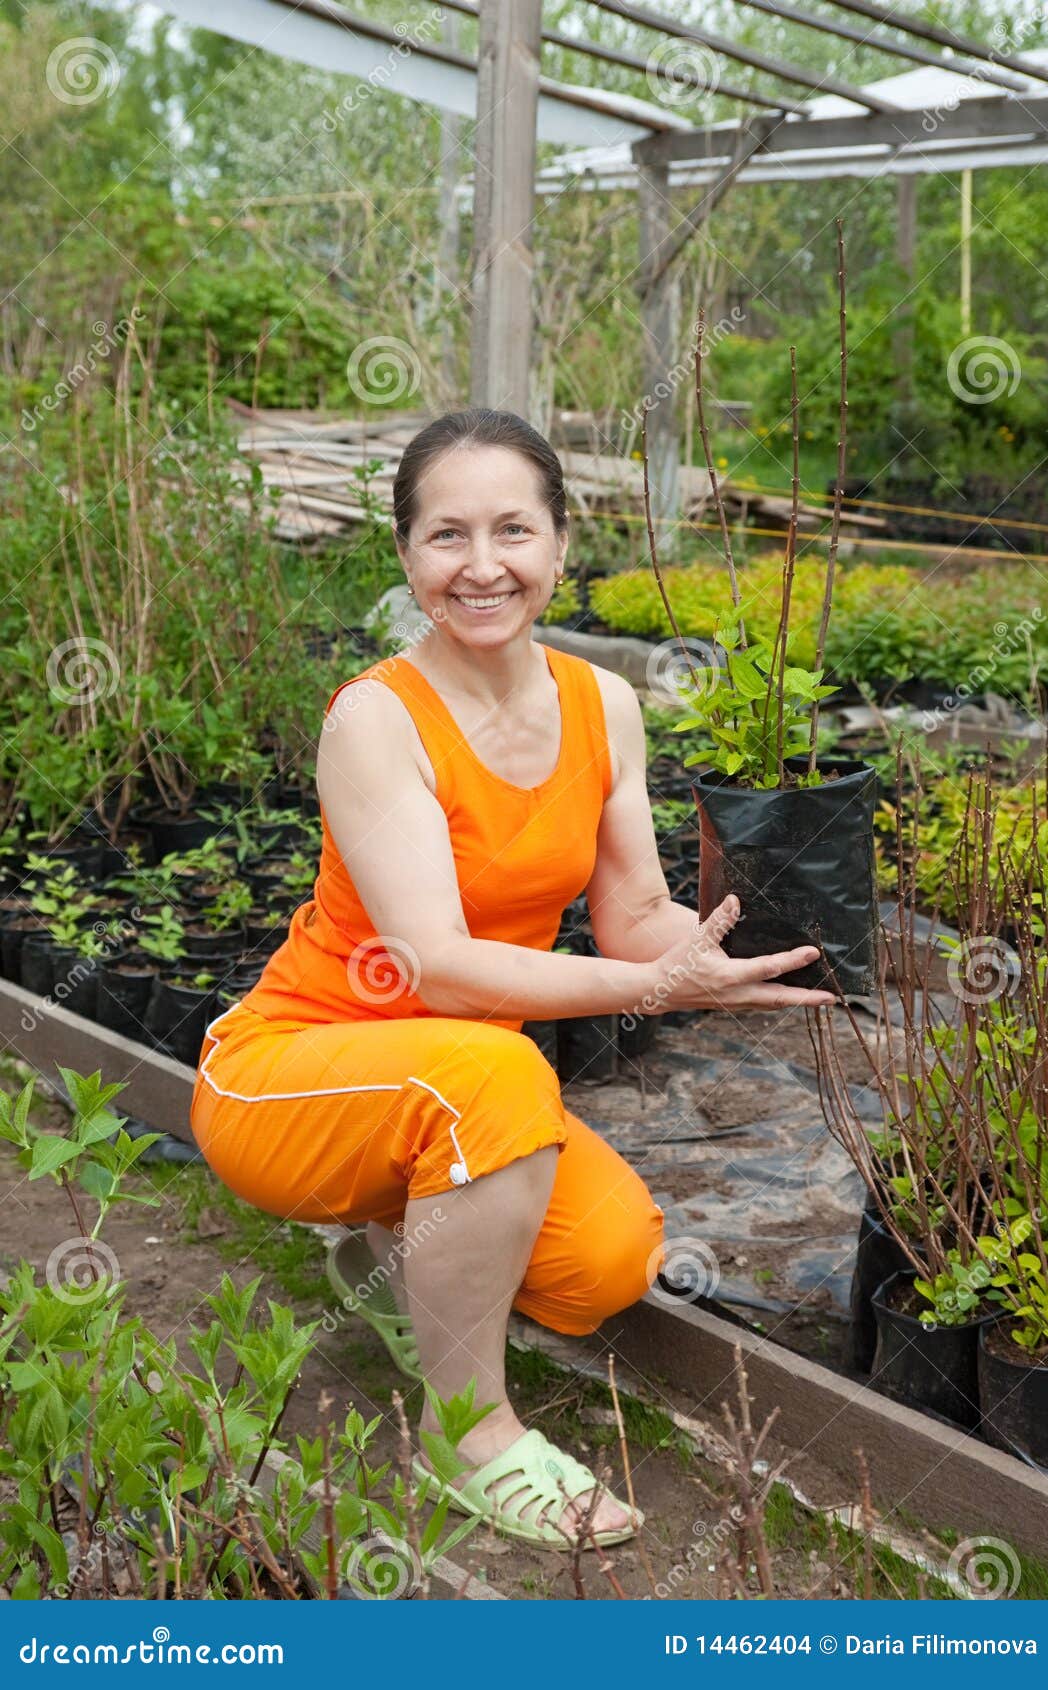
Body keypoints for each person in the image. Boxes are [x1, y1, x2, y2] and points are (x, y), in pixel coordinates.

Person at [189, 408, 834, 1552]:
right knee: (491, 1068)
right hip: (288, 1071)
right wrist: (650, 992)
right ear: (405, 556)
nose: (481, 566)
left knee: (604, 1265)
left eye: (511, 530)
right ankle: (470, 1435)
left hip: (452, 1084)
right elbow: (436, 967)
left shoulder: (603, 706)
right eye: (446, 536)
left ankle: (393, 1248)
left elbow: (631, 914)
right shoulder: (376, 718)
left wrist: (702, 956)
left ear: (558, 543)